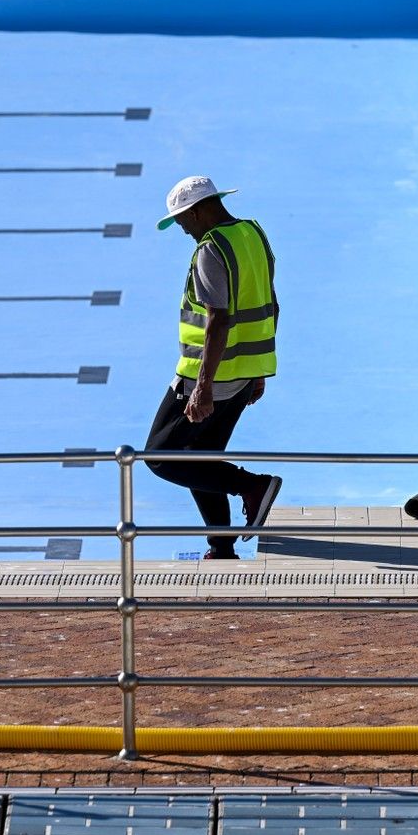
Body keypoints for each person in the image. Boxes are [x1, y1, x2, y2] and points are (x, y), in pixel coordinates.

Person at [144, 175, 282, 560]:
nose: (184, 229)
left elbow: (217, 320)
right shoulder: (253, 234)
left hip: (209, 377)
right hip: (243, 375)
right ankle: (221, 546)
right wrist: (258, 370)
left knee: (159, 455)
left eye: (184, 220)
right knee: (202, 456)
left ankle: (252, 486)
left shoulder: (211, 248)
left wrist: (201, 387)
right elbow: (272, 304)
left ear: (201, 209)